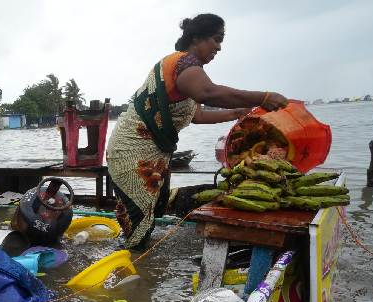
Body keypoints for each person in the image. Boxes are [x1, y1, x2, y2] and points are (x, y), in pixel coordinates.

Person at [106, 13, 288, 249]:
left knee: (151, 212)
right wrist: (263, 96)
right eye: (216, 39)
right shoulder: (182, 63)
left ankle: (145, 273)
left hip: (153, 154)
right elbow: (209, 93)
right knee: (138, 220)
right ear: (196, 38)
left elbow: (198, 116)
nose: (219, 47)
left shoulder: (191, 72)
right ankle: (128, 272)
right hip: (130, 152)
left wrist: (237, 114)